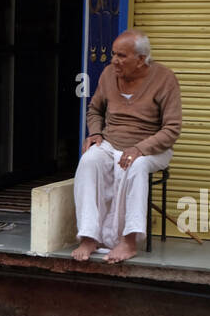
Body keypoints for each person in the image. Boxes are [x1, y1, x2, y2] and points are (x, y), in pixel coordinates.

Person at [72, 29, 182, 263]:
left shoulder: (165, 78)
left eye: (121, 56)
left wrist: (141, 148)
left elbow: (172, 129)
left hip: (152, 149)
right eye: (113, 54)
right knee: (89, 161)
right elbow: (95, 110)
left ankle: (129, 240)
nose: (114, 61)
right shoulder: (108, 74)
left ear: (141, 59)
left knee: (136, 166)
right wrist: (96, 133)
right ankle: (89, 236)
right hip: (112, 143)